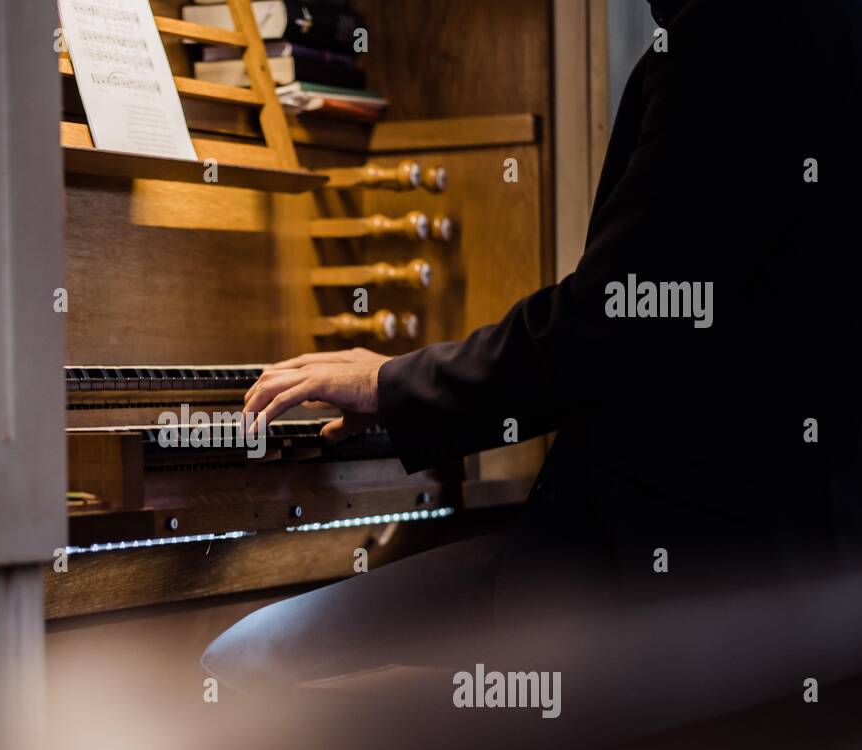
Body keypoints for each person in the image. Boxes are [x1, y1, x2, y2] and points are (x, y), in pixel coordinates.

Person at [203, 0, 862, 689]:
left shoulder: (736, 33)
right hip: (802, 563)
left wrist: (392, 384)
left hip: (667, 572)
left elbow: (613, 323)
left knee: (242, 656)